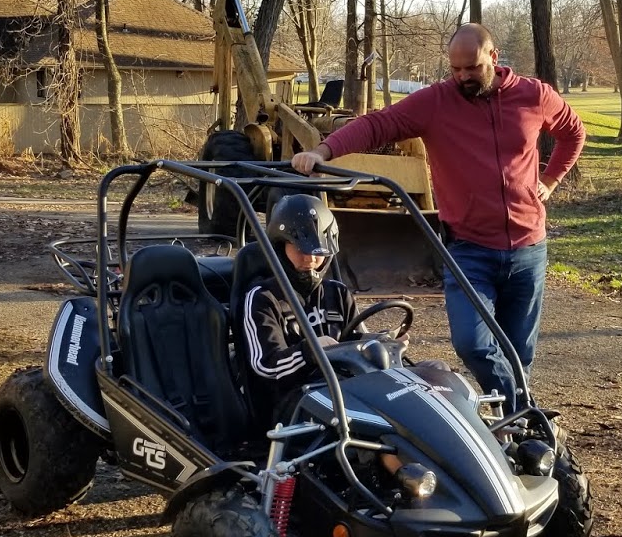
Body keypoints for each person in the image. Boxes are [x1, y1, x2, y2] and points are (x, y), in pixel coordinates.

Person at [291, 23, 585, 407]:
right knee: (473, 344)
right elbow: (377, 124)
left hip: (529, 247)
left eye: (472, 68)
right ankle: (523, 409)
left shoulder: (534, 96)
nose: (462, 77)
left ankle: (515, 428)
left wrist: (550, 179)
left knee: (519, 351)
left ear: (493, 59)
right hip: (468, 249)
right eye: (455, 69)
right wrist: (323, 152)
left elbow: (573, 132)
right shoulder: (436, 103)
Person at [235, 194, 358, 418]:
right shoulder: (262, 298)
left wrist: (385, 343)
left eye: (317, 252)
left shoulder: (338, 292)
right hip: (291, 404)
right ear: (280, 247)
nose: (310, 259)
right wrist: (310, 351)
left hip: (342, 391)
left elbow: (357, 344)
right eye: (302, 250)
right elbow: (266, 367)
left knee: (432, 373)